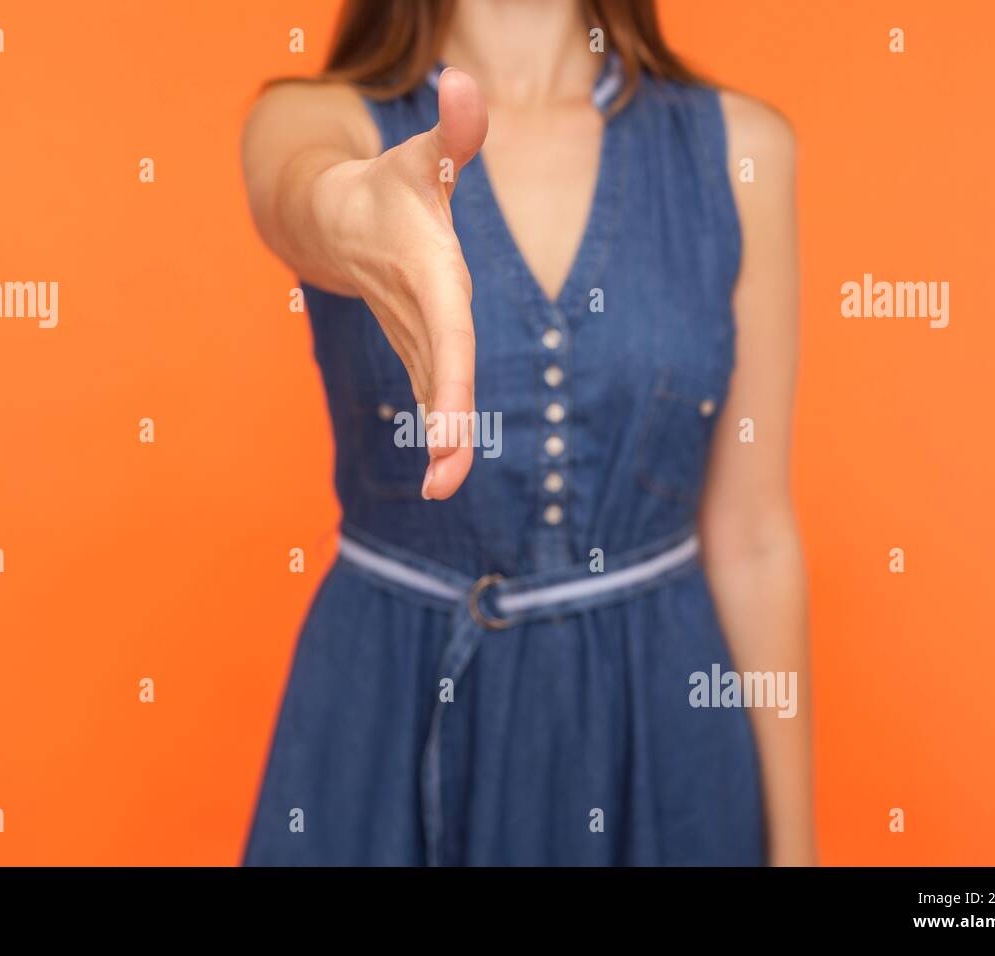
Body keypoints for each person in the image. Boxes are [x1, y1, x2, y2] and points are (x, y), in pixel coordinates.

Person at [241, 0, 812, 866]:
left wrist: (796, 853)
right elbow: (304, 198)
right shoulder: (318, 120)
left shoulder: (744, 151)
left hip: (662, 736)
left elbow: (756, 541)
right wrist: (358, 212)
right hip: (382, 714)